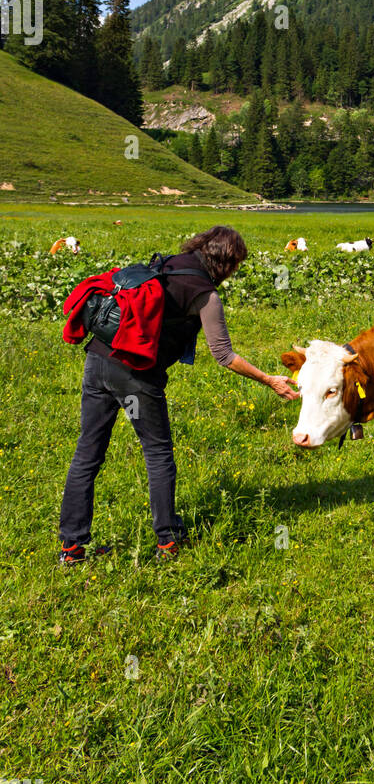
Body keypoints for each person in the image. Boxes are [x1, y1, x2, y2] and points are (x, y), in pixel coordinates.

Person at [58, 225, 298, 563]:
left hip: (97, 360)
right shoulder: (206, 294)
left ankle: (71, 548)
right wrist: (269, 380)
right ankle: (167, 542)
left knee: (87, 454)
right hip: (134, 377)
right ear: (227, 264)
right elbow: (224, 355)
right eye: (236, 265)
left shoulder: (169, 262)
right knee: (157, 454)